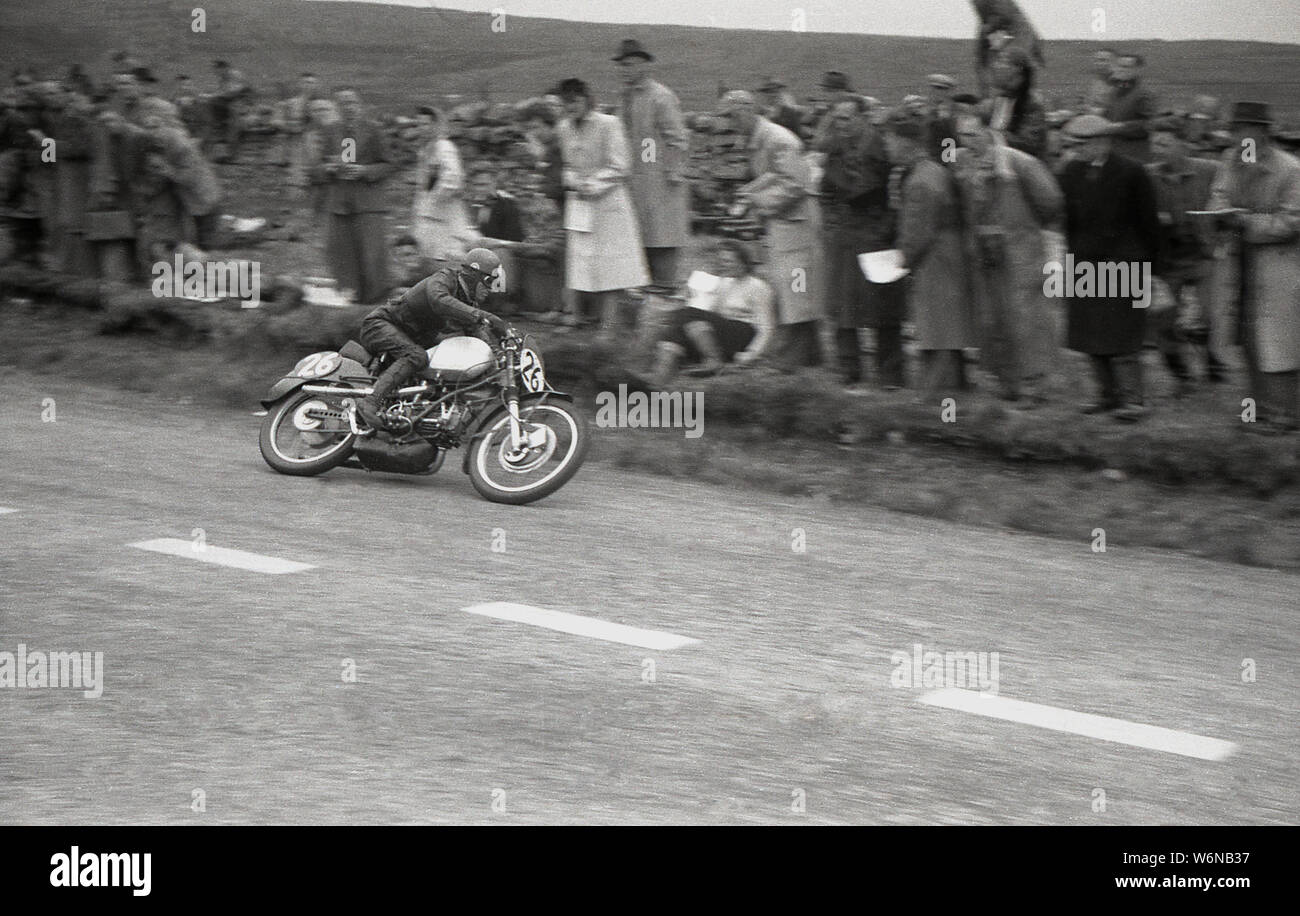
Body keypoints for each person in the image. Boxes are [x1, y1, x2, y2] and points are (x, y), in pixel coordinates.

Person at [955, 112, 1065, 405]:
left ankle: (1034, 385)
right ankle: (1006, 380)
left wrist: (1027, 231)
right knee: (993, 317)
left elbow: (1051, 201)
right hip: (984, 250)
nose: (968, 141)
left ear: (988, 131)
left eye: (973, 134)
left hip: (1019, 250)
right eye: (963, 136)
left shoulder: (1019, 162)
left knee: (1026, 318)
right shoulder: (963, 163)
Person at [1058, 115, 1162, 421]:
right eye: (1074, 144)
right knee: (1091, 334)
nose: (1076, 150)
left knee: (1123, 335)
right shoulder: (1071, 172)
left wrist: (1153, 266)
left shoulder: (1132, 172)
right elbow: (1068, 221)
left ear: (1103, 142)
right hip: (1085, 263)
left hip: (1125, 262)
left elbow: (1148, 223)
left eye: (1083, 144)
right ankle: (1106, 395)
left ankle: (1133, 400)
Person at [1207, 102, 1300, 434]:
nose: (1238, 137)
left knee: (1279, 344)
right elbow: (1218, 196)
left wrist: (1246, 221)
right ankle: (1253, 413)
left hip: (1279, 269)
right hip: (1239, 265)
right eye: (1235, 131)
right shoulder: (1229, 162)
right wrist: (1220, 212)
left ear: (1262, 132)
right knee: (1246, 341)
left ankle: (1286, 417)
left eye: (1244, 129)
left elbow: (1293, 220)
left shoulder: (1291, 170)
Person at [721, 89, 824, 369]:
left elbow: (796, 183)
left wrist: (756, 200)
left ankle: (794, 359)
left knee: (797, 290)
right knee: (791, 291)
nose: (730, 123)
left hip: (797, 228)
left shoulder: (779, 140)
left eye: (732, 116)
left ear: (746, 110)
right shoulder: (759, 139)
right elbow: (774, 178)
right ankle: (809, 357)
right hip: (783, 226)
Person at [353, 248, 511, 431]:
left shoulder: (467, 304)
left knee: (436, 372)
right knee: (417, 356)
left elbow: (477, 331)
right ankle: (370, 402)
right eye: (488, 281)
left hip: (406, 340)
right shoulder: (445, 278)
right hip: (381, 325)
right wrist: (486, 317)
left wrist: (500, 353)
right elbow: (438, 299)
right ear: (474, 274)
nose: (490, 289)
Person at [885, 109, 976, 394]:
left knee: (938, 330)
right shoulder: (933, 171)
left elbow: (916, 234)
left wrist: (901, 260)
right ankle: (957, 390)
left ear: (904, 142)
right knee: (948, 326)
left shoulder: (919, 181)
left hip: (935, 260)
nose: (887, 146)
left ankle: (935, 397)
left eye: (889, 139)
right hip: (947, 255)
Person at [815, 96, 901, 390]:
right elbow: (825, 190)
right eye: (837, 119)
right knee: (843, 306)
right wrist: (832, 223)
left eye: (848, 118)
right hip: (845, 236)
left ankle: (890, 373)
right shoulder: (836, 148)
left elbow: (895, 195)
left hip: (878, 236)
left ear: (863, 118)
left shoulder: (883, 149)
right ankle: (849, 367)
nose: (842, 125)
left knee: (883, 307)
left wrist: (883, 230)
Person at [555, 77, 650, 332]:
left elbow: (621, 165)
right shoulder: (563, 127)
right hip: (580, 203)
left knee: (612, 264)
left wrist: (593, 184)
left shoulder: (609, 124)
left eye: (575, 100)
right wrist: (575, 182)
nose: (570, 106)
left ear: (587, 99)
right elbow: (567, 165)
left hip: (608, 201)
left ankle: (608, 323)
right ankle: (574, 316)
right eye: (565, 102)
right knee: (580, 261)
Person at [1146, 117, 1224, 391]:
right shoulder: (1147, 176)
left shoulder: (1209, 171)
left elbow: (1232, 192)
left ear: (1182, 144)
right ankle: (1180, 375)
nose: (1157, 149)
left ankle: (1214, 363)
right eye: (1154, 143)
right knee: (1162, 319)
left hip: (1203, 255)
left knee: (1211, 314)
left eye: (1165, 143)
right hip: (1167, 261)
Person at [640, 239, 777, 385]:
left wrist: (752, 354)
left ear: (742, 262)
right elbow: (706, 314)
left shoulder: (757, 287)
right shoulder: (724, 283)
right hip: (722, 334)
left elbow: (766, 328)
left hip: (744, 333)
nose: (723, 265)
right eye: (721, 261)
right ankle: (659, 379)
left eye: (728, 261)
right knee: (678, 327)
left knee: (685, 314)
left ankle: (714, 361)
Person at [615, 39, 691, 290]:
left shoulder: (661, 97)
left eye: (631, 65)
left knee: (662, 240)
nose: (625, 70)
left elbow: (678, 139)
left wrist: (669, 172)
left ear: (644, 66)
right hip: (634, 181)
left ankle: (666, 299)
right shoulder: (625, 98)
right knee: (639, 241)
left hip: (659, 182)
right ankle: (645, 307)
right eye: (622, 65)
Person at [312, 89, 393, 304]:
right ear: (337, 108)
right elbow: (316, 169)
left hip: (368, 205)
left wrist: (364, 171)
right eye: (343, 103)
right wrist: (329, 168)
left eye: (352, 103)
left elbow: (388, 164)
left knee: (372, 257)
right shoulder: (330, 131)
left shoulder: (374, 130)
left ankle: (377, 302)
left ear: (360, 105)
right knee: (342, 257)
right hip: (339, 205)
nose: (348, 107)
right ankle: (350, 301)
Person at [410, 105, 474, 265]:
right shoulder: (425, 150)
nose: (421, 129)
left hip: (443, 220)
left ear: (435, 125)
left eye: (425, 124)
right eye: (418, 125)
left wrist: (435, 199)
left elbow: (453, 178)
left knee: (446, 263)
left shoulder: (444, 147)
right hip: (428, 219)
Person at [985, 47, 1048, 159]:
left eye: (1002, 61)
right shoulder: (998, 101)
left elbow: (1029, 145)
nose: (995, 65)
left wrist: (989, 135)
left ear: (1018, 70)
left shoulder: (1032, 104)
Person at [972, 0, 1044, 94]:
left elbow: (1005, 14)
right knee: (981, 60)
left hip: (1016, 32)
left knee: (1014, 61)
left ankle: (1023, 92)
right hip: (1001, 30)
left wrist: (988, 27)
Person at [1103, 53, 1157, 163]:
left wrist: (1121, 127)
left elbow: (1149, 124)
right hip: (1114, 151)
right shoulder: (1114, 91)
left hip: (1135, 153)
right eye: (1118, 66)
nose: (1120, 69)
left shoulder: (1145, 93)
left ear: (1137, 70)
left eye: (1126, 67)